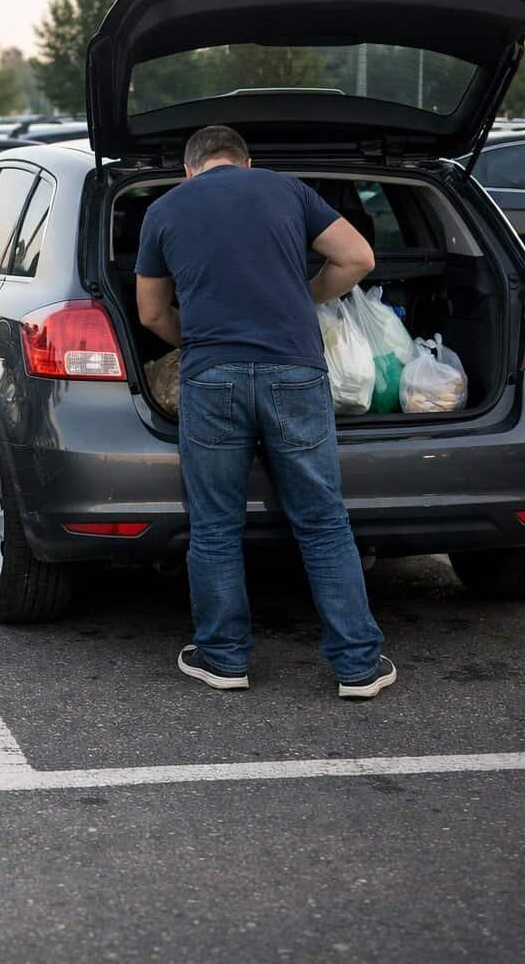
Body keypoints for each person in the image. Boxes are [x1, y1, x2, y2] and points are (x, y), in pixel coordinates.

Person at [134, 125, 397, 700]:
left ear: (189, 169)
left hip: (212, 378)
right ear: (247, 163)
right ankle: (357, 666)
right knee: (323, 521)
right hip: (295, 374)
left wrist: (194, 339)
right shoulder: (288, 190)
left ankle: (225, 659)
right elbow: (358, 258)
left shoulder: (165, 209)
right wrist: (305, 298)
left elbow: (150, 314)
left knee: (216, 524)